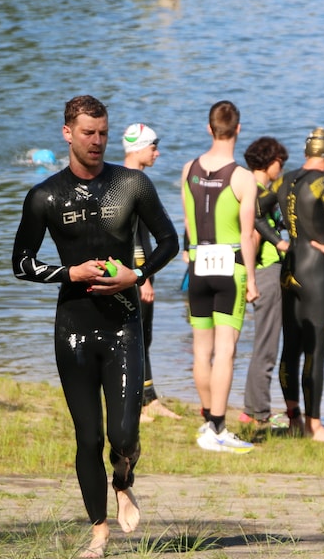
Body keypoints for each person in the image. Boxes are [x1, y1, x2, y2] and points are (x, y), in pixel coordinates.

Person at [12, 96, 178, 558]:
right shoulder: (45, 196)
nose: (97, 141)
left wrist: (137, 275)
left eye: (103, 133)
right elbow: (21, 263)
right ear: (67, 133)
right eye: (88, 133)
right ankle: (98, 531)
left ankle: (123, 478)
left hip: (124, 323)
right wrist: (70, 274)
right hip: (73, 330)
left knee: (124, 435)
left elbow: (169, 241)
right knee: (88, 435)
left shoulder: (132, 185)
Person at [180, 100, 259, 454]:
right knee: (225, 351)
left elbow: (187, 223)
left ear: (209, 128)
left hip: (198, 265)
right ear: (238, 129)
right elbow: (247, 236)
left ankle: (208, 421)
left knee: (202, 350)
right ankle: (217, 427)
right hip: (230, 266)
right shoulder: (244, 179)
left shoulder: (187, 170)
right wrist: (253, 280)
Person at [276, 127, 324, 444]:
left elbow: (255, 215)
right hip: (316, 273)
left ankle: (293, 420)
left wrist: (278, 242)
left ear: (307, 153)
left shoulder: (285, 179)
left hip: (290, 268)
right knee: (315, 351)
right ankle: (315, 426)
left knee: (290, 348)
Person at [119, 123, 181, 423]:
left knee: (144, 336)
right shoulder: (132, 182)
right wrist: (141, 276)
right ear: (138, 148)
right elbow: (131, 236)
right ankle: (134, 402)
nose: (157, 152)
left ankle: (148, 397)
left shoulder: (132, 179)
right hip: (135, 274)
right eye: (153, 147)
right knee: (134, 337)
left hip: (139, 271)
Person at [239, 137, 291, 429]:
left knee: (264, 341)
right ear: (269, 162)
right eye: (279, 164)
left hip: (261, 270)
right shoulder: (258, 192)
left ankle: (253, 406)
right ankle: (258, 410)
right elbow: (255, 233)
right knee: (267, 343)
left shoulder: (247, 188)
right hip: (266, 270)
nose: (281, 169)